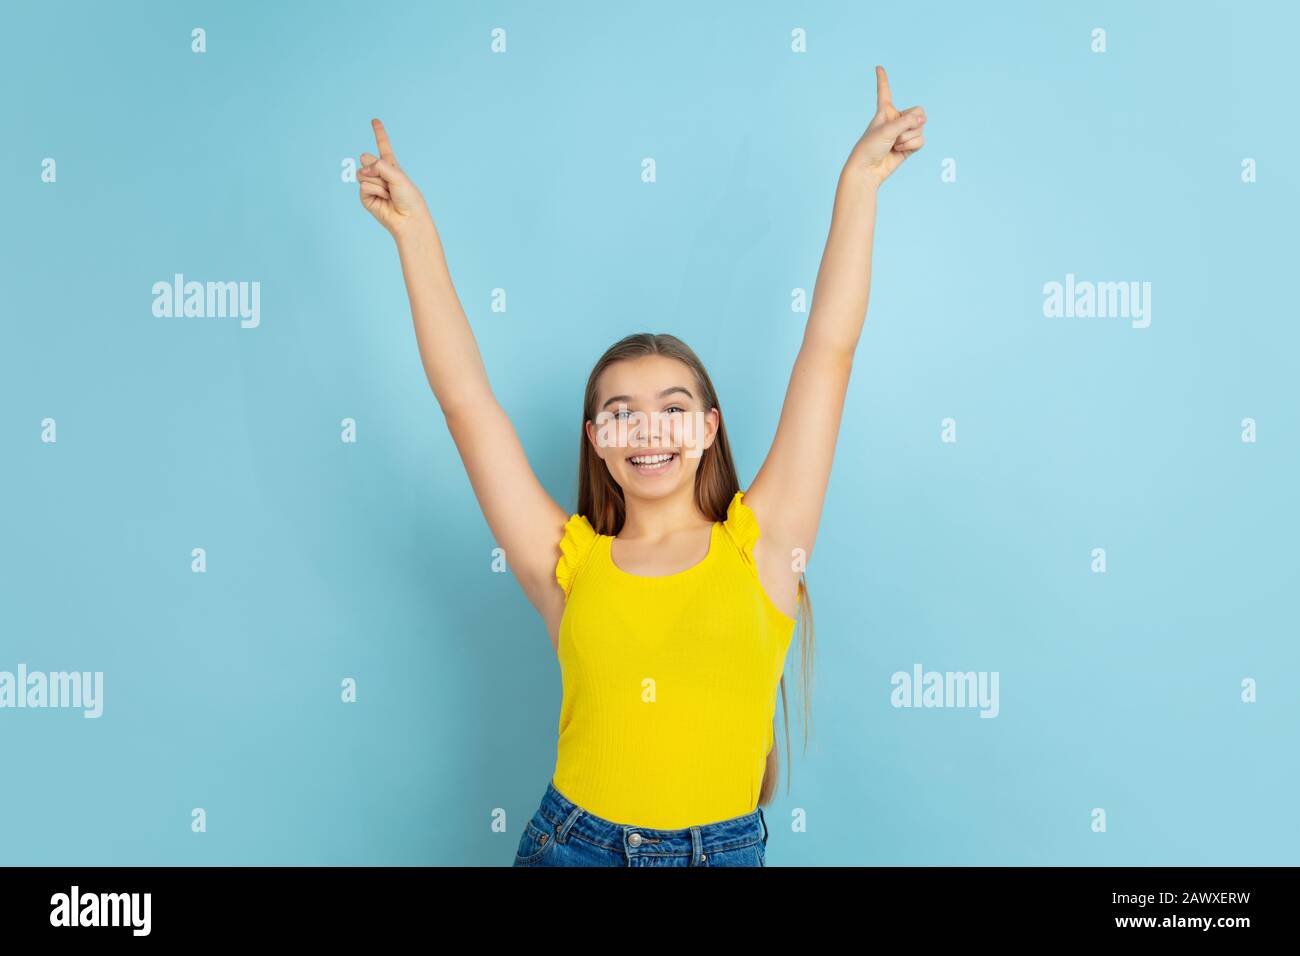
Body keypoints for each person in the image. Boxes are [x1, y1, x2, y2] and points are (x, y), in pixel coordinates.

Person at [355, 66, 926, 866]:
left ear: (708, 427)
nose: (645, 428)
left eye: (671, 406)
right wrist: (415, 237)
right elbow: (467, 404)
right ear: (597, 440)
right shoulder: (568, 564)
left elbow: (829, 351)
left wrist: (858, 187)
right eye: (619, 412)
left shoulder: (764, 544)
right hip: (570, 847)